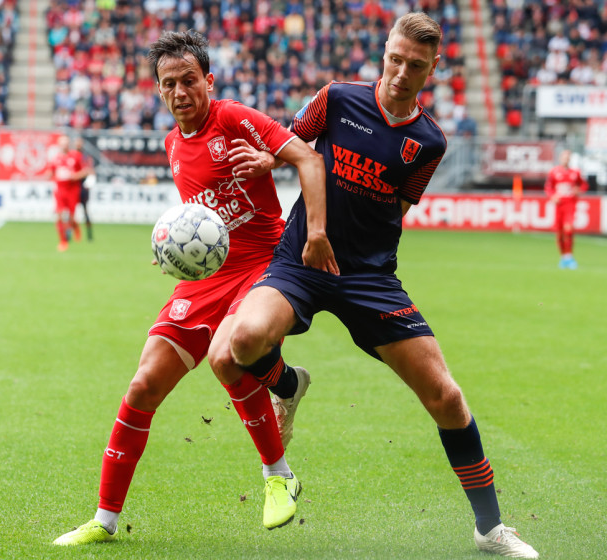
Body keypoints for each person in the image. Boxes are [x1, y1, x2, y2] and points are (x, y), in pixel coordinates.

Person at [209, 13, 539, 559]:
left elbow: (400, 208)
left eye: (415, 65)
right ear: (383, 53)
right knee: (243, 341)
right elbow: (293, 146)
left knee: (447, 397)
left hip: (369, 278)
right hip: (301, 261)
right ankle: (288, 384)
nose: (400, 73)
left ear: (433, 69)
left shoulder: (429, 142)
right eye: (395, 59)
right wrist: (270, 159)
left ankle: (490, 528)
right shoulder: (337, 98)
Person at [53, 30, 338, 546]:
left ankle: (279, 476)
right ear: (159, 92)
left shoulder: (232, 117)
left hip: (266, 262)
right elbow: (198, 223)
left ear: (208, 81)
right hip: (212, 276)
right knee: (143, 384)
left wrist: (273, 165)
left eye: (189, 80)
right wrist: (175, 252)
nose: (180, 91)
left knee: (225, 356)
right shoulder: (171, 145)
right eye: (169, 84)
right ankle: (105, 519)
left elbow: (305, 156)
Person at [47, 133, 93, 252]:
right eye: (62, 143)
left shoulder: (76, 156)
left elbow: (86, 171)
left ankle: (76, 228)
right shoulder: (56, 158)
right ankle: (63, 241)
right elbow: (51, 172)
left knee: (71, 218)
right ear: (59, 145)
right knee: (60, 215)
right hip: (60, 190)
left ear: (69, 144)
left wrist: (74, 176)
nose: (64, 145)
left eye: (66, 143)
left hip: (73, 190)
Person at [544, 149, 587, 269]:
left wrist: (578, 190)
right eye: (564, 157)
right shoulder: (554, 172)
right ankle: (564, 257)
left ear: (570, 159)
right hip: (559, 206)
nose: (566, 159)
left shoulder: (575, 172)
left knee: (568, 229)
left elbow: (583, 185)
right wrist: (552, 196)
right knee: (559, 233)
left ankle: (569, 256)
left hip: (570, 205)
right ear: (560, 158)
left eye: (568, 157)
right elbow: (548, 187)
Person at [72, 136, 94, 241]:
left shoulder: (85, 157)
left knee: (85, 211)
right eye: (77, 143)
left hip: (82, 186)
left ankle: (89, 234)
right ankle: (73, 233)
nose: (78, 145)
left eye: (80, 143)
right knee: (71, 212)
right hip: (73, 187)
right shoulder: (71, 156)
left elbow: (89, 171)